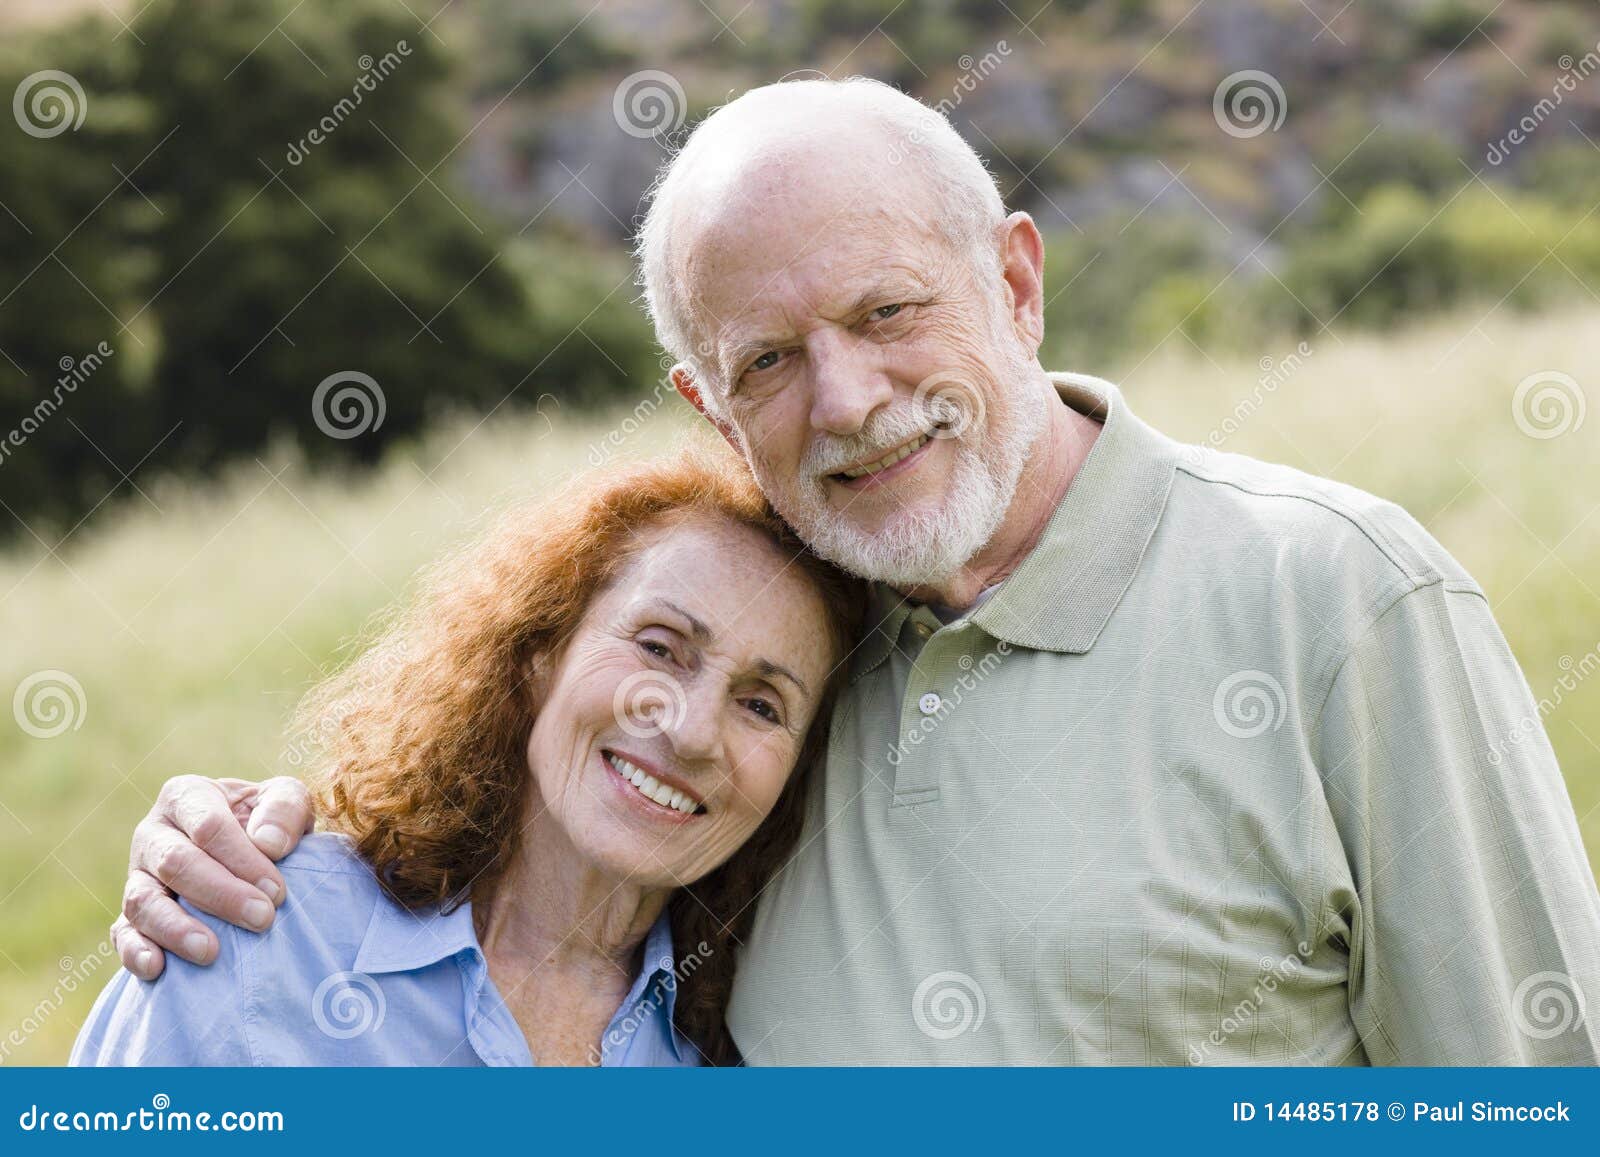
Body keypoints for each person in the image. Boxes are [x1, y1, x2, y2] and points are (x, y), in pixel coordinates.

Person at [108, 78, 1600, 1064]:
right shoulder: (791, 668)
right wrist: (235, 845)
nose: (848, 400)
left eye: (889, 309)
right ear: (712, 408)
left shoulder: (1341, 600)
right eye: (768, 359)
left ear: (1014, 282)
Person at [72, 447, 859, 1065]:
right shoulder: (263, 930)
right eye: (660, 647)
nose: (690, 731)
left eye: (762, 705)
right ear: (541, 651)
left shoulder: (728, 1061)